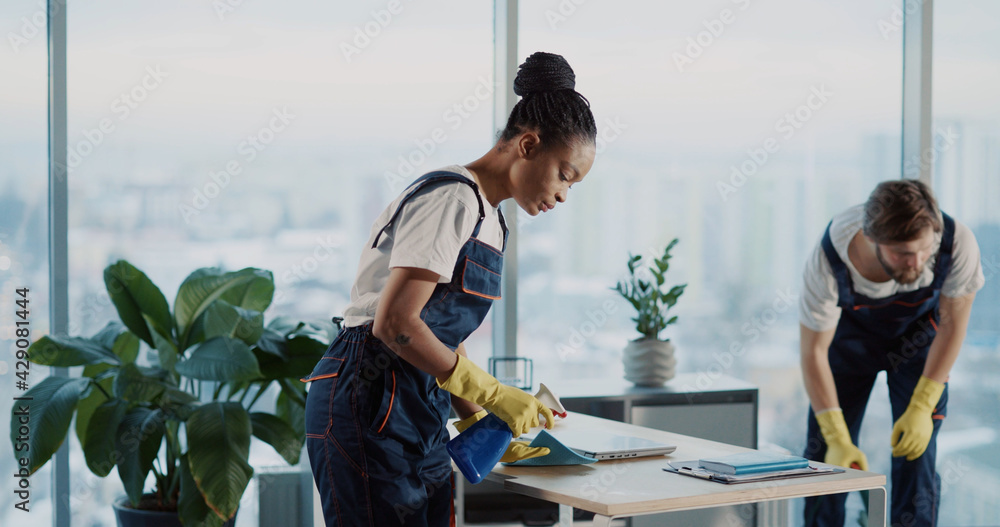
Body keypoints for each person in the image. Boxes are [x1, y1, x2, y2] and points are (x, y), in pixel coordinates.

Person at [301, 51, 597, 527]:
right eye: (565, 174)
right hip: (368, 391)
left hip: (418, 406)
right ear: (528, 145)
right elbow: (396, 323)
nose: (564, 194)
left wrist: (479, 419)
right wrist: (497, 394)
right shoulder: (452, 197)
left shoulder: (492, 222)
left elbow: (440, 334)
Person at [799, 179, 984, 526]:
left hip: (920, 345)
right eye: (902, 253)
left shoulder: (957, 243)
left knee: (918, 457)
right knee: (824, 459)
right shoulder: (828, 258)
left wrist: (921, 404)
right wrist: (837, 436)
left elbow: (953, 324)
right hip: (848, 344)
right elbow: (812, 352)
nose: (916, 263)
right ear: (872, 239)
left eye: (924, 249)